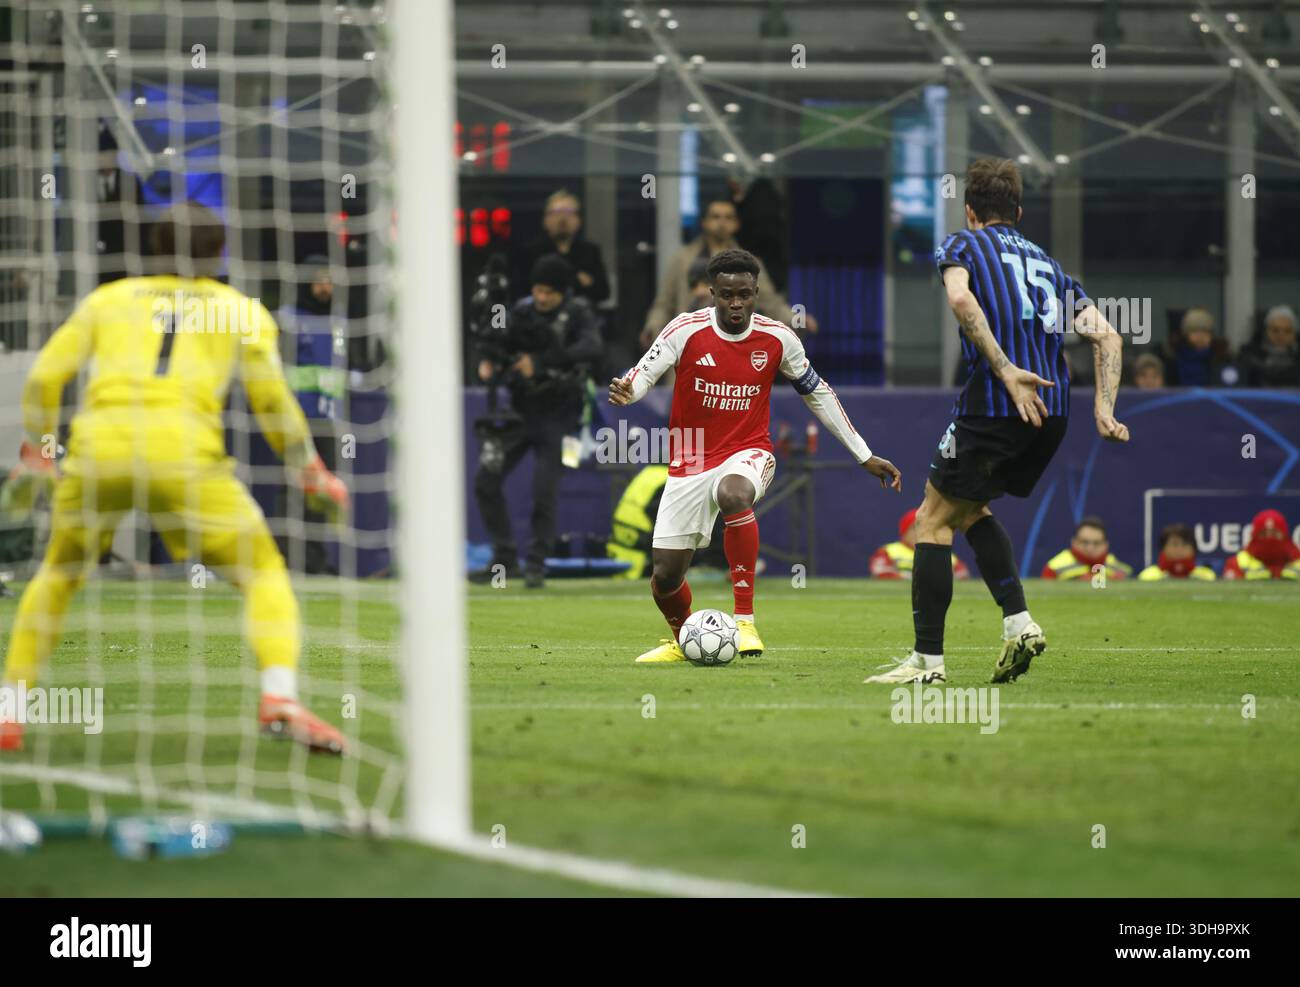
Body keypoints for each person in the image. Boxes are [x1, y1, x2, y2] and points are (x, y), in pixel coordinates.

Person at [0, 203, 349, 754]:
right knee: (262, 571)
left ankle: (8, 712)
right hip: (186, 457)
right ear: (220, 255)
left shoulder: (108, 300)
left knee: (58, 576)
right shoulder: (239, 310)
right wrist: (311, 470)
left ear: (152, 250)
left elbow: (46, 376)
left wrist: (42, 450)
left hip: (100, 451)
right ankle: (279, 696)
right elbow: (272, 401)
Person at [866, 158, 1130, 687]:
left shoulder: (963, 246)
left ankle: (927, 665)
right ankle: (1019, 623)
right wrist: (1105, 408)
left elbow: (960, 296)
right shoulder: (1050, 265)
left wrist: (1007, 370)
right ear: (1019, 211)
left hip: (995, 403)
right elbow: (1110, 337)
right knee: (969, 511)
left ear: (970, 211)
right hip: (1051, 413)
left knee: (931, 521)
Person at [609, 248, 900, 664]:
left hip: (749, 451)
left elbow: (818, 394)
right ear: (711, 293)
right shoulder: (684, 329)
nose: (736, 304)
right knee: (665, 577)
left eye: (744, 294)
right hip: (691, 456)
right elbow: (642, 376)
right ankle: (686, 639)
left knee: (734, 495)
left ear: (756, 292)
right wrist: (627, 392)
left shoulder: (778, 338)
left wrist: (863, 454)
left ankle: (744, 620)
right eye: (727, 295)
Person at [472, 254, 601, 589]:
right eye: (538, 290)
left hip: (561, 416)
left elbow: (592, 346)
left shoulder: (578, 313)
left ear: (562, 292)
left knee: (544, 492)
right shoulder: (520, 312)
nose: (542, 298)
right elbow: (496, 341)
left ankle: (536, 564)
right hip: (519, 412)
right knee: (487, 480)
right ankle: (505, 558)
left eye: (550, 292)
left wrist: (540, 363)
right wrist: (488, 360)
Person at [640, 199, 813, 349]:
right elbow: (664, 304)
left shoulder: (749, 263)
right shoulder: (683, 260)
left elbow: (770, 302)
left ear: (736, 224)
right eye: (715, 217)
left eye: (728, 217)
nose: (722, 222)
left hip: (736, 344)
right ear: (705, 222)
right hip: (690, 343)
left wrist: (796, 319)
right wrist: (652, 328)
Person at [276, 254, 346, 574]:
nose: (324, 287)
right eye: (319, 281)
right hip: (297, 418)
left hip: (328, 420)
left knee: (321, 493)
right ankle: (287, 559)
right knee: (293, 489)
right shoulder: (288, 318)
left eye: (329, 281)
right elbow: (279, 368)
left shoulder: (339, 321)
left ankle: (315, 561)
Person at [511, 189, 610, 308]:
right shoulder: (529, 252)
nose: (563, 218)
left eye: (569, 212)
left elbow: (603, 292)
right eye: (557, 212)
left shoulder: (590, 251)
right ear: (545, 220)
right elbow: (519, 291)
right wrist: (580, 281)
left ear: (578, 220)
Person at [869, 507, 970, 580]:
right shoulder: (888, 551)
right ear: (904, 532)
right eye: (914, 528)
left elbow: (962, 574)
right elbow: (881, 572)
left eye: (924, 528)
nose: (920, 533)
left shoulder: (943, 553)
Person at [1041, 517, 1133, 581]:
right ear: (1074, 542)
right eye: (1084, 542)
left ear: (1105, 545)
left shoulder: (1120, 570)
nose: (1090, 548)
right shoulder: (1054, 568)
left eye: (1096, 543)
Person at [1161, 307, 1234, 387]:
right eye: (1195, 331)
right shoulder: (1174, 357)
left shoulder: (1222, 358)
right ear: (1186, 334)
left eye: (1205, 331)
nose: (1200, 336)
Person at [1223, 508, 1300, 580]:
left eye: (1274, 533)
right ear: (1254, 536)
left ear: (1285, 536)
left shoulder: (1297, 561)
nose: (1269, 537)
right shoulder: (1237, 563)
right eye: (1263, 534)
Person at [1238, 305, 1300, 388]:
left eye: (1287, 331)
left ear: (1294, 334)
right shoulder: (1249, 356)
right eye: (1275, 330)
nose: (1281, 336)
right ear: (1266, 332)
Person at [1138, 523, 1215, 581]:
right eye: (1174, 544)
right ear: (1163, 548)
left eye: (1185, 544)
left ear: (1194, 549)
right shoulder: (1148, 575)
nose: (1179, 549)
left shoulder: (1207, 575)